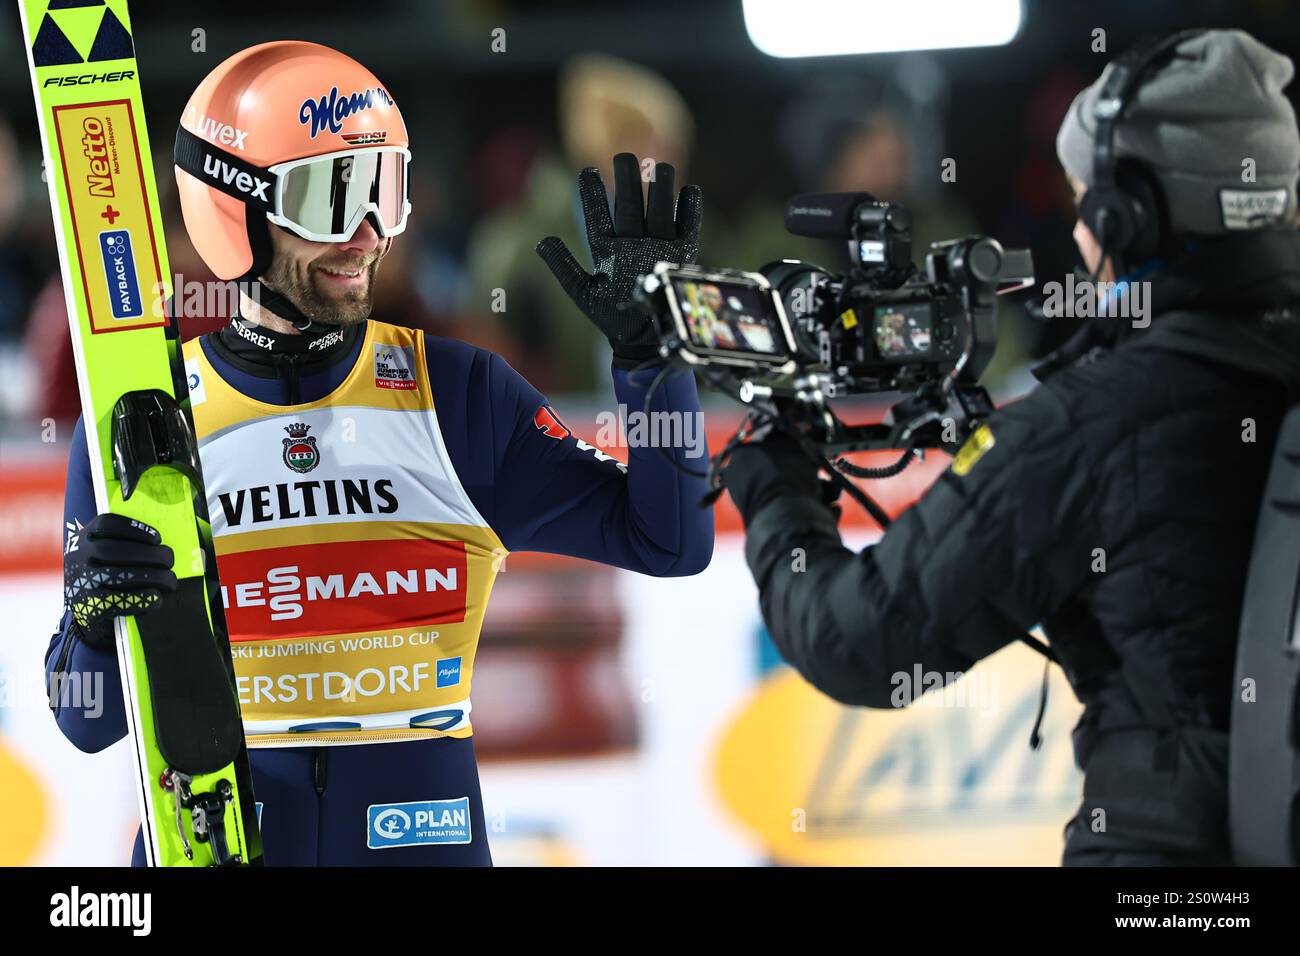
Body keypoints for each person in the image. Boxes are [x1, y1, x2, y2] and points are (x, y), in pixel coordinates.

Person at [46, 41, 712, 866]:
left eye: (383, 191)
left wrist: (654, 366)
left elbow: (671, 542)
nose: (365, 235)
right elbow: (86, 722)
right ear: (233, 206)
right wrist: (97, 622)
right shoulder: (144, 421)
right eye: (330, 198)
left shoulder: (459, 394)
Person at [722, 29, 1300, 865]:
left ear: (1125, 216)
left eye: (1082, 203)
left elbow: (860, 642)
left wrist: (777, 493)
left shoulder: (1093, 423)